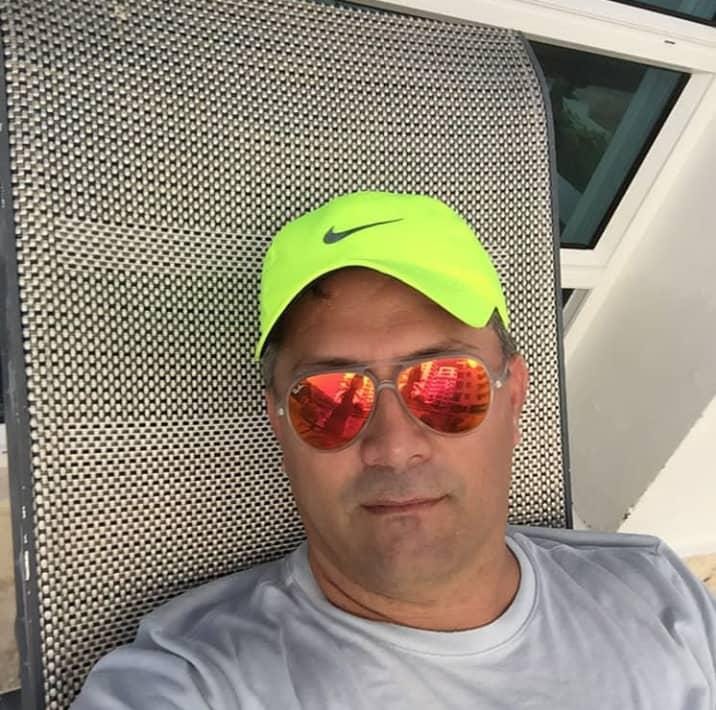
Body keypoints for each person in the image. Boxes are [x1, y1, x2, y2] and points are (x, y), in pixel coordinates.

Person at [72, 191, 716, 709]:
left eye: (447, 385)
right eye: (329, 398)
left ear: (514, 396)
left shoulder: (657, 590)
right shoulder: (196, 684)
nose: (394, 446)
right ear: (279, 422)